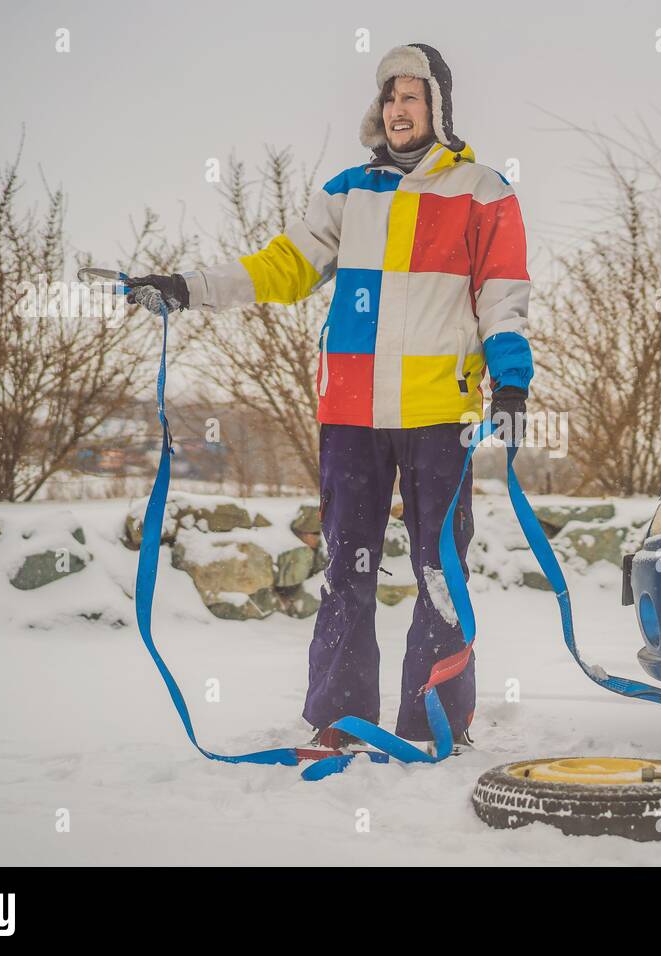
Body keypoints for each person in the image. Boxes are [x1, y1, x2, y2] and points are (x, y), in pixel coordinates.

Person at [124, 43, 534, 755]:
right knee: (347, 566)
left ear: (438, 106)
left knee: (441, 571)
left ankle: (436, 721)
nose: (398, 109)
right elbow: (281, 268)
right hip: (350, 412)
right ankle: (340, 719)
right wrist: (188, 287)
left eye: (413, 95)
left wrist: (513, 381)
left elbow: (502, 295)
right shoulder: (349, 189)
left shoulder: (483, 189)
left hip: (442, 414)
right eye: (390, 97)